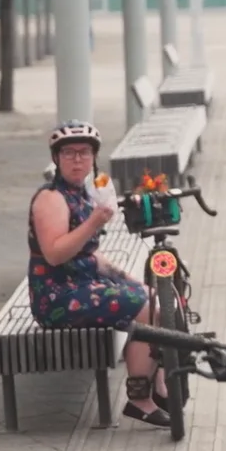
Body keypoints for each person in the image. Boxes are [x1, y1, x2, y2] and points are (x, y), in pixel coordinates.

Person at [28, 121, 170, 427]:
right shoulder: (51, 198)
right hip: (57, 297)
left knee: (152, 296)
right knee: (144, 307)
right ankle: (140, 398)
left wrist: (127, 277)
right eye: (69, 153)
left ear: (94, 158)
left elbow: (89, 255)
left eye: (84, 153)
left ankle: (157, 384)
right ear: (56, 159)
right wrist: (94, 221)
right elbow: (55, 253)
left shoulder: (80, 193)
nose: (77, 159)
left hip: (80, 285)